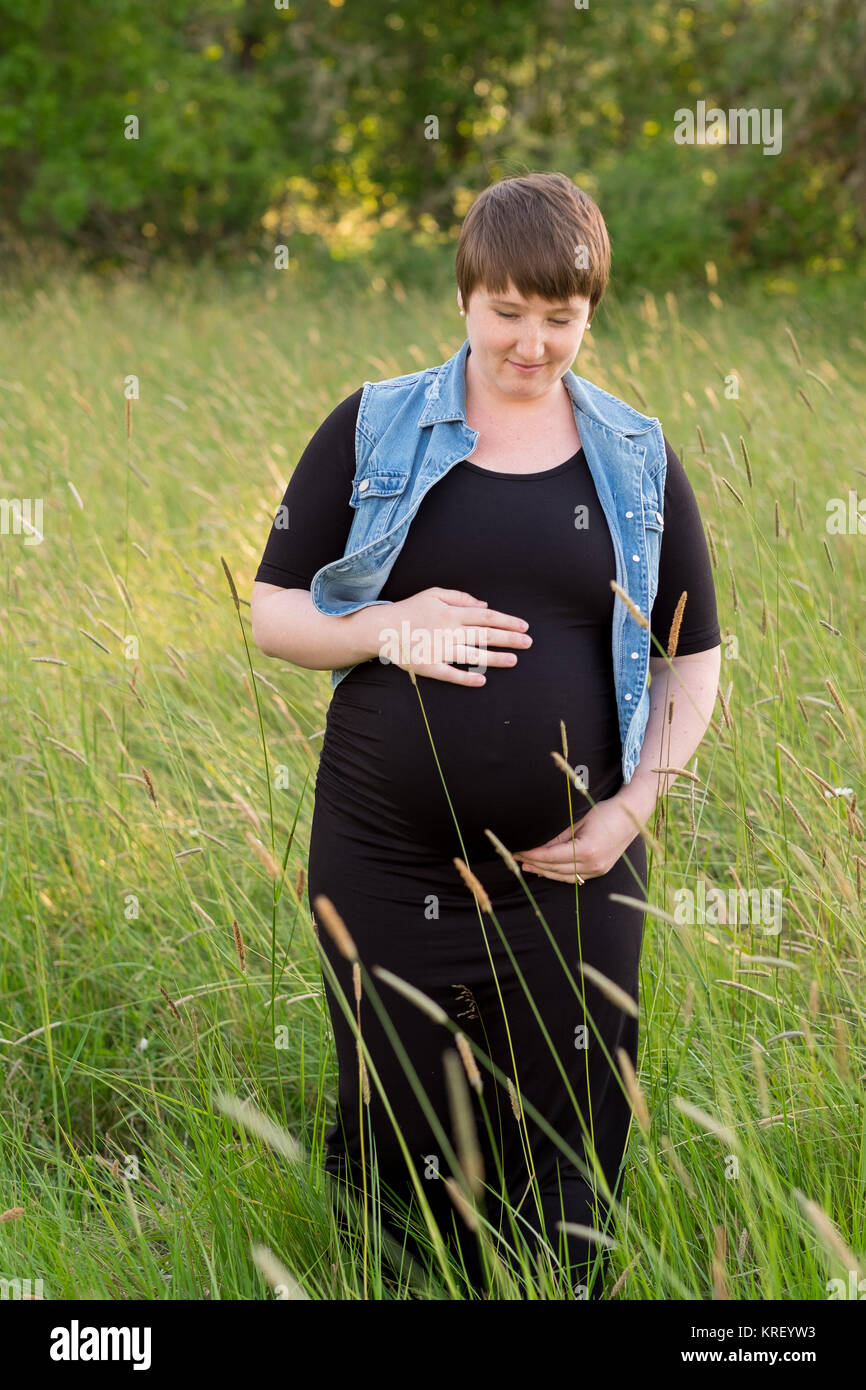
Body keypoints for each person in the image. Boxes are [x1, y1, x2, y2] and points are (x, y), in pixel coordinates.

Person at [250, 172, 721, 1299]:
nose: (530, 342)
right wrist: (384, 626)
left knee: (569, 1127)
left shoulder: (635, 456)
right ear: (464, 296)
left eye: (558, 318)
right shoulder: (372, 426)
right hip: (382, 857)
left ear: (588, 311)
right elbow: (270, 613)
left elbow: (690, 660)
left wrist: (627, 811)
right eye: (507, 312)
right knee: (396, 1108)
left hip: (574, 869)